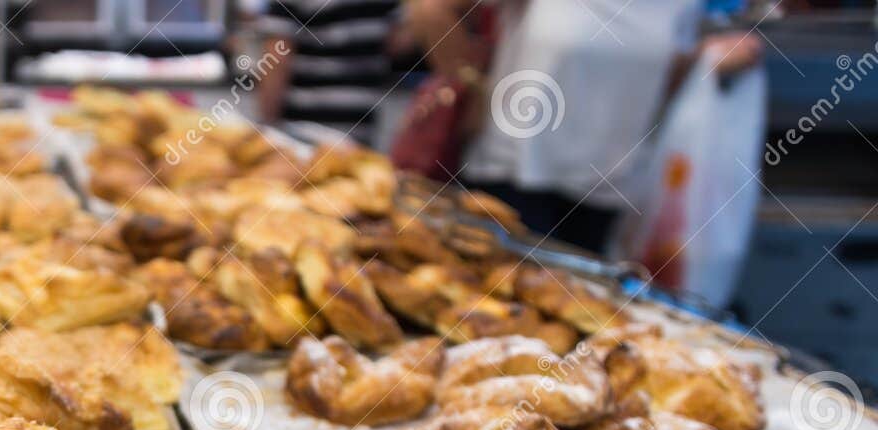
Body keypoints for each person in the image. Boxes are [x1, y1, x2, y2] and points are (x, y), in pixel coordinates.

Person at [405, 0, 762, 253]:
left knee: (575, 316)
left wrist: (709, 59)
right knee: (493, 304)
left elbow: (664, 74)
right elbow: (431, 9)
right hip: (515, 172)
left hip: (608, 181)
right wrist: (471, 85)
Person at [254, 0, 408, 135]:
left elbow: (277, 59)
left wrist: (266, 127)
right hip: (359, 126)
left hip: (302, 131)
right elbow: (397, 45)